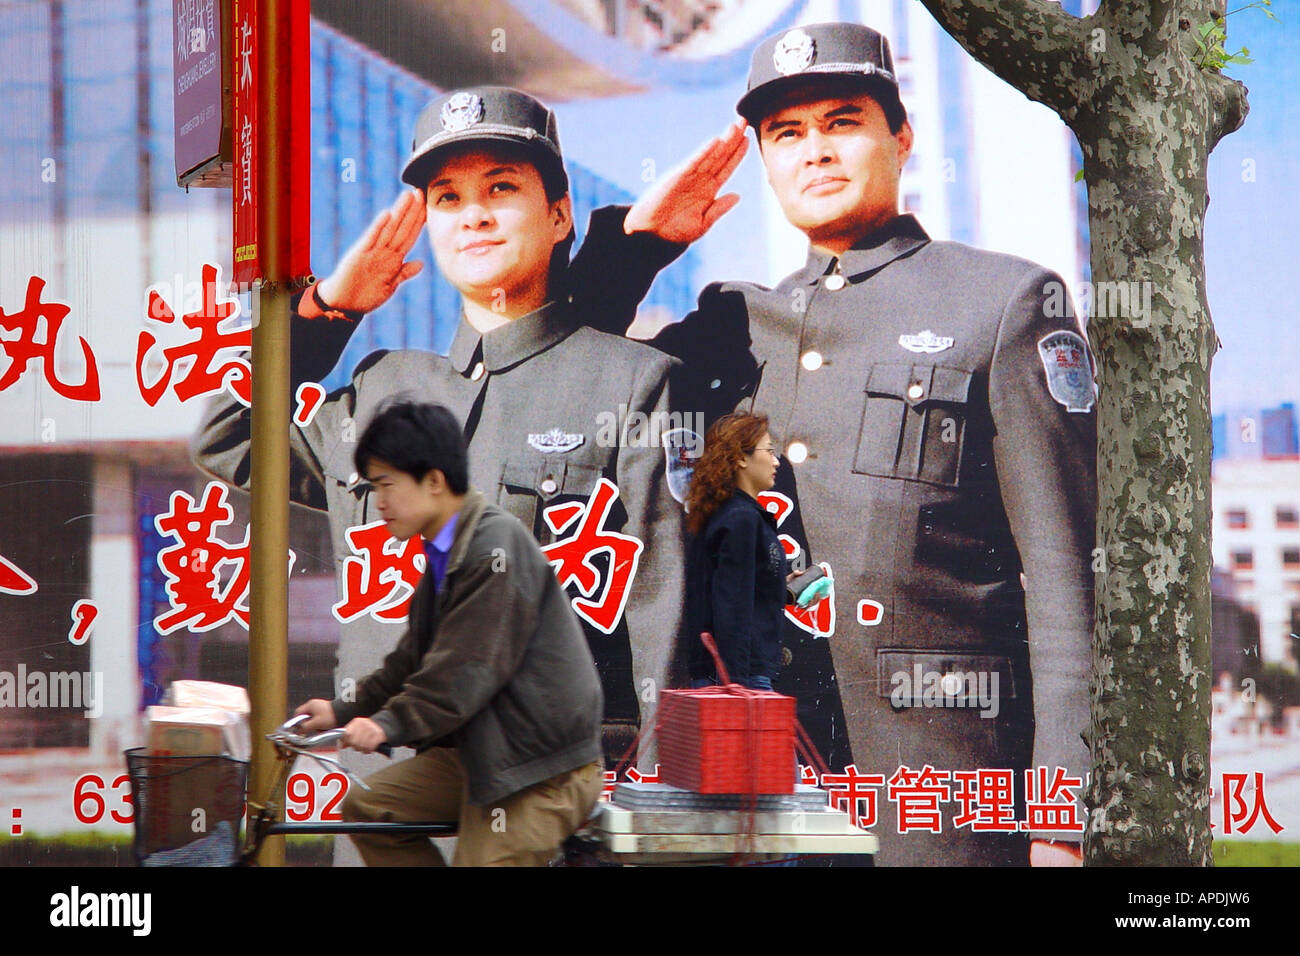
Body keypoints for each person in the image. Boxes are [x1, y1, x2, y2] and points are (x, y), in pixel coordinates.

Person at [581, 22, 1097, 867]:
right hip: (758, 807)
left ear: (901, 136)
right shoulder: (731, 325)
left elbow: (1068, 577)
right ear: (763, 160)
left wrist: (1060, 824)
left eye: (842, 121)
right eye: (785, 134)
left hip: (946, 810)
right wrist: (640, 250)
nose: (813, 151)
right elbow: (578, 367)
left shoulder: (1002, 302)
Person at [193, 87, 729, 766]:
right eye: (447, 198)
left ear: (560, 216)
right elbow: (225, 435)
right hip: (378, 813)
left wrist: (656, 805)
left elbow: (663, 615)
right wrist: (326, 311)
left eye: (500, 188)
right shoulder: (380, 389)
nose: (472, 216)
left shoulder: (633, 380)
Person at [294, 401, 604, 866]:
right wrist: (342, 710)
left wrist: (385, 725)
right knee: (370, 809)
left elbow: (463, 674)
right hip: (480, 755)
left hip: (538, 769)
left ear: (434, 481)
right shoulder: (444, 553)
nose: (378, 502)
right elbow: (409, 664)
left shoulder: (492, 551)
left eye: (386, 485)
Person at [684, 413, 785, 691]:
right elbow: (732, 604)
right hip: (742, 677)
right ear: (741, 458)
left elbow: (736, 591)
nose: (776, 462)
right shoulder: (741, 519)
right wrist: (736, 684)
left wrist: (783, 588)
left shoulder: (727, 515)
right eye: (770, 451)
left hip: (730, 674)